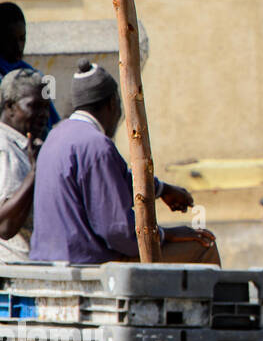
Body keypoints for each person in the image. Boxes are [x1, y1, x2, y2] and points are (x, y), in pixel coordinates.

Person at [29, 61, 217, 265]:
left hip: (48, 258)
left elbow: (119, 181)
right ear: (112, 104)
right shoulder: (97, 145)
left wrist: (163, 189)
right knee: (203, 247)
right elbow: (117, 232)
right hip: (89, 262)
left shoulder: (55, 136)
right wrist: (166, 234)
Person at [0, 68, 50, 262]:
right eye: (34, 106)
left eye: (46, 107)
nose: (44, 115)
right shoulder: (6, 149)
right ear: (10, 107)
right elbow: (4, 226)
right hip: (13, 272)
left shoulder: (24, 147)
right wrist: (35, 174)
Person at [0, 3, 59, 130]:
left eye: (22, 39)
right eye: (11, 40)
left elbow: (52, 123)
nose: (18, 47)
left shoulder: (32, 75)